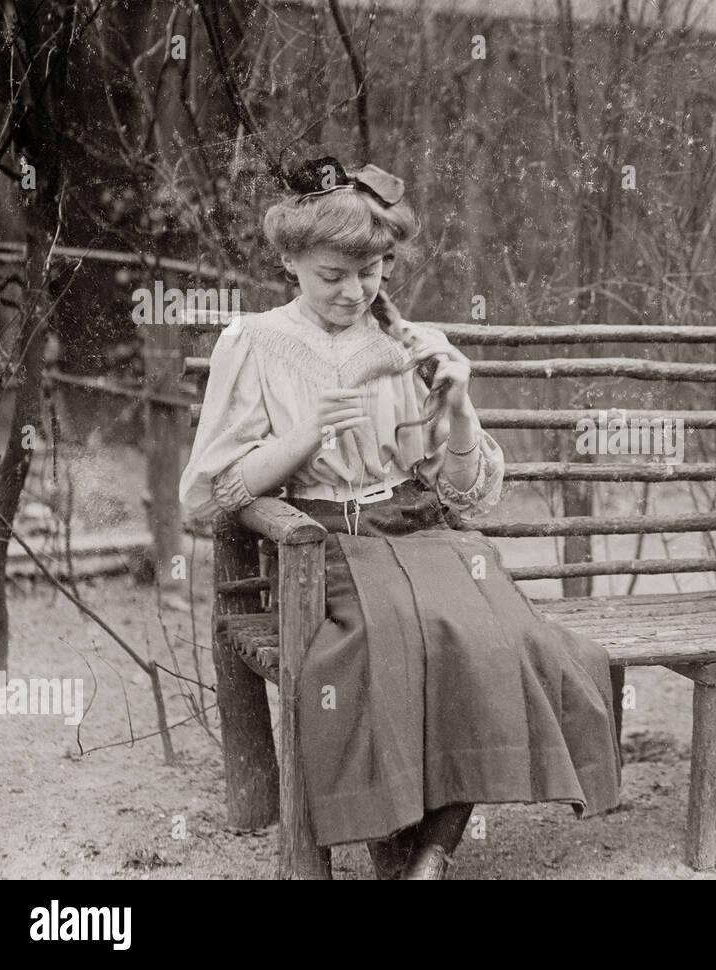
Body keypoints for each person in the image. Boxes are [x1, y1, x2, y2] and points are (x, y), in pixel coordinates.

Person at [179, 158, 620, 880]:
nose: (355, 292)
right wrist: (303, 438)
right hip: (322, 547)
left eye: (373, 271)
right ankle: (395, 841)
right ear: (290, 261)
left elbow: (469, 496)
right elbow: (202, 501)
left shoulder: (409, 342)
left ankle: (431, 853)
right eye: (333, 275)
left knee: (504, 639)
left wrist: (459, 410)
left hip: (418, 532)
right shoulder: (253, 343)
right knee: (389, 645)